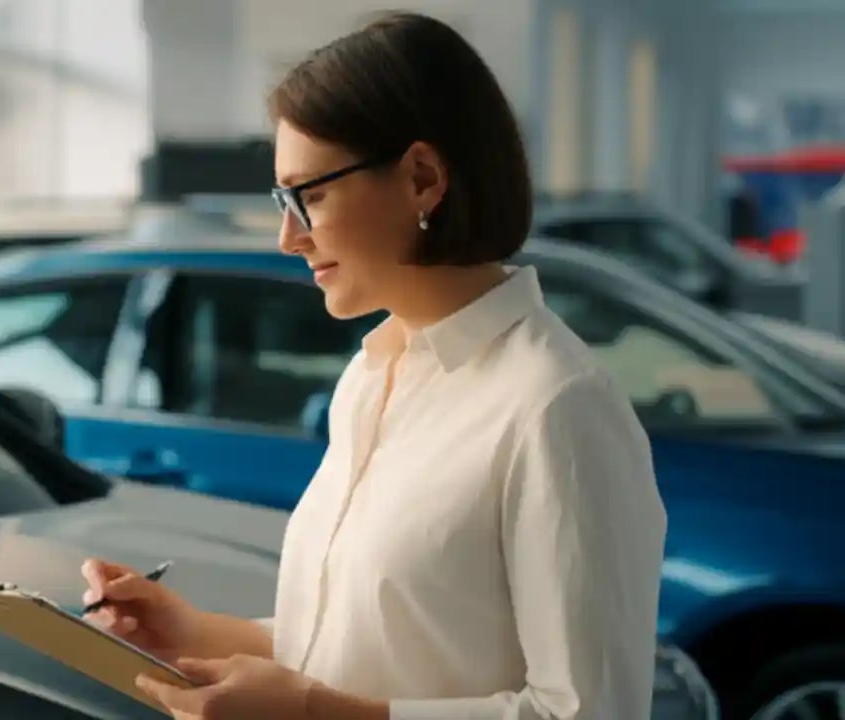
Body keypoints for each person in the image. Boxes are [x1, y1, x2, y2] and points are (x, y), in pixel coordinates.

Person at [81, 11, 666, 720]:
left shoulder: (556, 405)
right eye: (282, 200)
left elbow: (586, 713)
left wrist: (314, 714)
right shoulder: (373, 376)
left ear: (423, 178)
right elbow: (372, 645)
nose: (288, 237)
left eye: (312, 196)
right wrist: (190, 631)